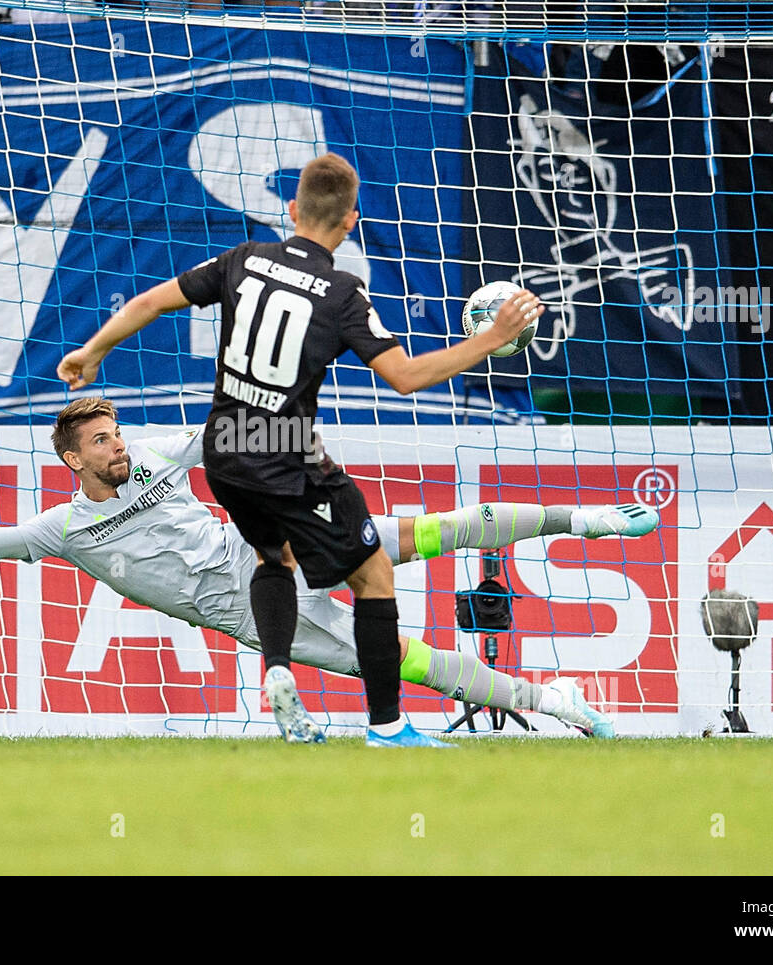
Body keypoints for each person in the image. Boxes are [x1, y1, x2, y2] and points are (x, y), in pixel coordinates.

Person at [57, 154, 545, 747]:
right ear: (349, 223)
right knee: (373, 574)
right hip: (284, 450)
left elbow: (149, 303)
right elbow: (406, 376)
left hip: (224, 451)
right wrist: (490, 339)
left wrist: (93, 351)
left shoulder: (243, 260)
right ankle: (388, 727)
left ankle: (279, 669)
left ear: (291, 210)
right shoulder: (343, 294)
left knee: (272, 558)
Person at [0, 397, 658, 738]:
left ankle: (583, 519)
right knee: (405, 661)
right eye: (99, 440)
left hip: (268, 552)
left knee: (423, 532)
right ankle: (560, 704)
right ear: (69, 458)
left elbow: (221, 427)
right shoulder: (62, 528)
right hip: (254, 611)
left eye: (116, 433)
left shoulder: (155, 453)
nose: (116, 444)